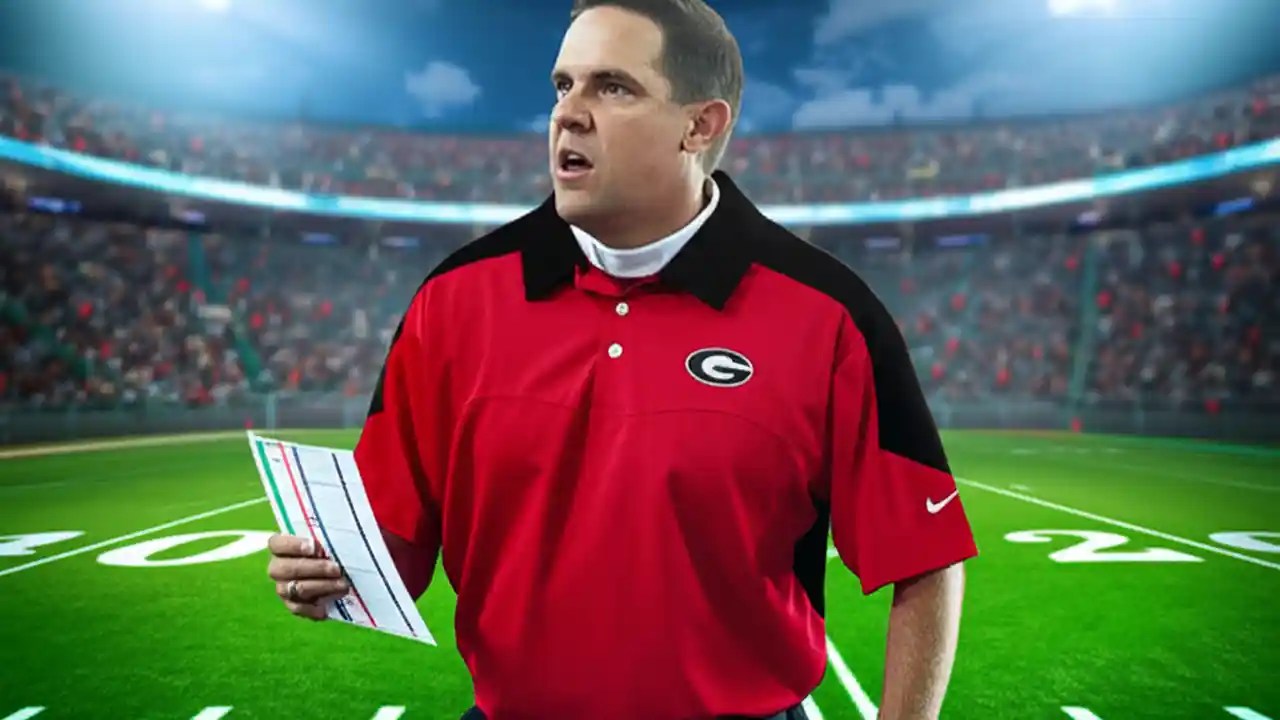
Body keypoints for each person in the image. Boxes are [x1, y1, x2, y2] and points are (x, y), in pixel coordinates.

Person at [266, 0, 978, 718]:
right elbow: (393, 549)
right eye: (561, 85)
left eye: (612, 87)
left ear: (700, 125)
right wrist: (323, 571)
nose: (568, 113)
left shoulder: (830, 314)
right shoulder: (451, 300)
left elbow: (925, 558)